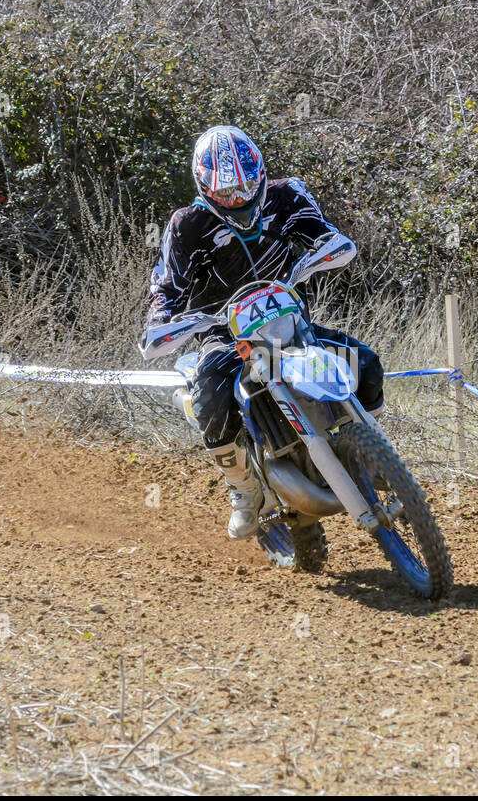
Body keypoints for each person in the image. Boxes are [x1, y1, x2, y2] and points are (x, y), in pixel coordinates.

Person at [144, 125, 384, 539]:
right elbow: (167, 288)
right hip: (226, 335)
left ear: (260, 174)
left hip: (290, 323)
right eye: (227, 193)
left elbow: (327, 237)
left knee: (366, 363)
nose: (238, 199)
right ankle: (243, 489)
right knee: (211, 394)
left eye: (246, 187)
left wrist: (320, 255)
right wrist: (162, 323)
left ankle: (375, 451)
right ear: (205, 187)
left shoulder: (287, 194)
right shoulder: (187, 225)